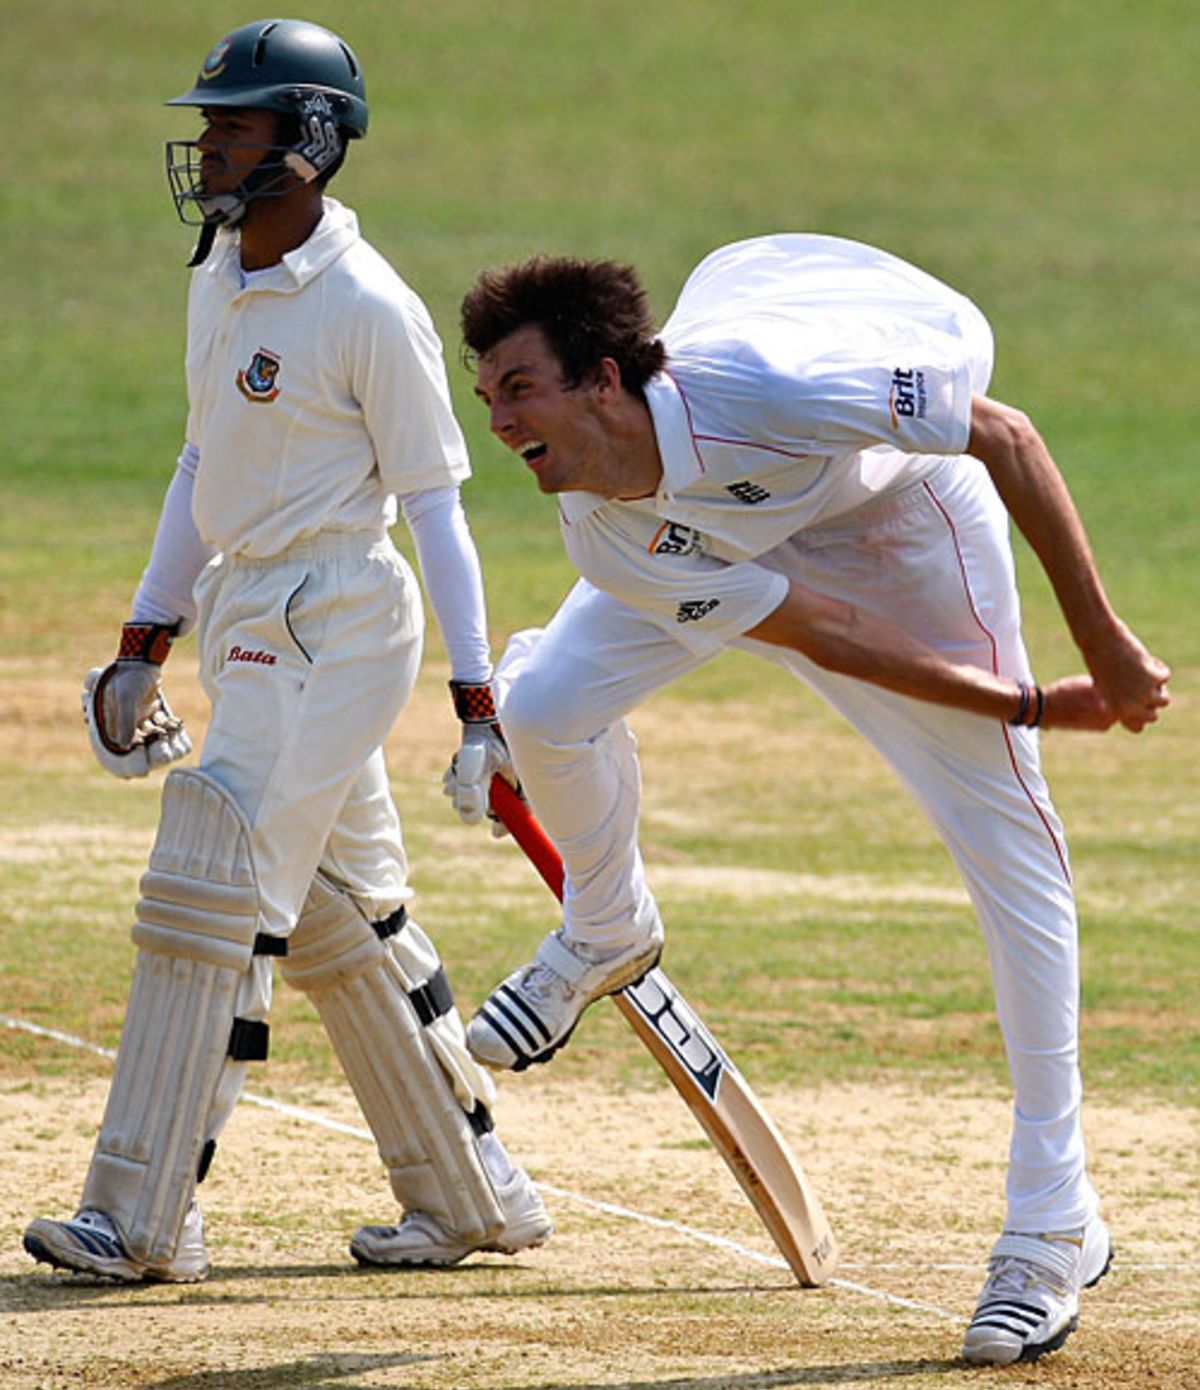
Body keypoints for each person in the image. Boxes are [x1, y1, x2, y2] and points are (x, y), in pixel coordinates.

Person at [453, 236, 1170, 1365]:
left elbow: (1006, 433)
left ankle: (1053, 1219)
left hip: (896, 495)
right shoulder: (602, 522)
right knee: (541, 707)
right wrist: (1026, 700)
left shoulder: (768, 377)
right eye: (486, 395)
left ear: (603, 377)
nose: (497, 420)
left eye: (519, 387)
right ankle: (606, 925)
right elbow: (820, 628)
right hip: (741, 528)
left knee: (1009, 845)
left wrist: (1091, 655)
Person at [23, 18, 550, 1284]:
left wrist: (478, 705)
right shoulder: (219, 278)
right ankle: (471, 1194)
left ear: (307, 145)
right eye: (209, 124)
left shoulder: (370, 308)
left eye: (233, 126)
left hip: (339, 619)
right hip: (251, 611)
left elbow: (436, 508)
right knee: (338, 917)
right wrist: (146, 640)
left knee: (211, 876)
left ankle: (141, 1216)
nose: (206, 147)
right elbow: (203, 464)